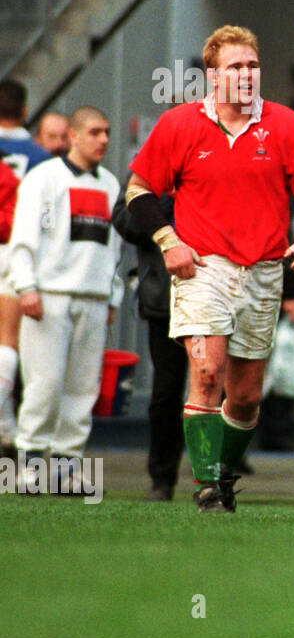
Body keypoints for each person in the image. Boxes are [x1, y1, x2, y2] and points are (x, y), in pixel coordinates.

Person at [125, 25, 294, 513]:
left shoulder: (285, 124)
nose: (246, 75)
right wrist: (168, 240)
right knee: (206, 371)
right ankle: (204, 488)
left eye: (252, 66)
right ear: (212, 75)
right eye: (235, 67)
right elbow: (138, 192)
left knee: (245, 395)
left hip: (263, 269)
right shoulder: (180, 124)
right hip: (203, 268)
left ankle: (220, 474)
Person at [9, 106, 121, 493]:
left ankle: (65, 469)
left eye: (107, 132)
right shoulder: (44, 179)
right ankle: (26, 464)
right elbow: (24, 237)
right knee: (45, 383)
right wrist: (27, 286)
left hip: (92, 296)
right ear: (73, 136)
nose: (104, 139)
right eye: (95, 132)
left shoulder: (110, 184)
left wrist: (112, 296)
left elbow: (114, 247)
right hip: (50, 295)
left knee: (82, 388)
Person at [111, 187, 186, 500]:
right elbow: (126, 222)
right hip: (164, 295)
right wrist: (163, 199)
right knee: (166, 391)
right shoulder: (153, 165)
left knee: (219, 386)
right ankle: (162, 479)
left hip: (219, 291)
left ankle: (218, 476)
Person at [0, 78, 51, 459]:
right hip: (14, 250)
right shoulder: (41, 159)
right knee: (9, 340)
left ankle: (7, 429)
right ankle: (7, 431)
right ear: (24, 111)